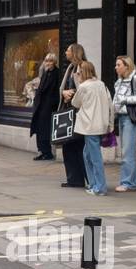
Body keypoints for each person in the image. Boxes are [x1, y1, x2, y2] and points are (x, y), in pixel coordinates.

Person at [70, 60, 113, 196]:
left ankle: (100, 187)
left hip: (89, 126)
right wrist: (110, 124)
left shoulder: (84, 86)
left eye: (79, 72)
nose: (77, 74)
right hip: (100, 125)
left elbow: (75, 103)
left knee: (95, 158)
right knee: (87, 155)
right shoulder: (101, 84)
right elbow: (110, 103)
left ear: (83, 72)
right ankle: (94, 184)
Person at [112, 55, 136, 192]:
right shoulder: (119, 82)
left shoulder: (135, 78)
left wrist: (126, 99)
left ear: (127, 66)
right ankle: (131, 182)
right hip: (122, 117)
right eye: (116, 65)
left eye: (119, 65)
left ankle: (127, 182)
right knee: (127, 151)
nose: (116, 67)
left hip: (131, 118)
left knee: (127, 151)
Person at [59, 43, 88, 186]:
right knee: (68, 146)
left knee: (78, 146)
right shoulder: (70, 68)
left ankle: (84, 178)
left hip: (79, 113)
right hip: (69, 111)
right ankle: (73, 178)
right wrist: (64, 93)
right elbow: (63, 88)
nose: (65, 52)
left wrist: (73, 93)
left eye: (68, 50)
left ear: (75, 52)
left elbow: (87, 88)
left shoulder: (83, 67)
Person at [29, 54, 60, 160]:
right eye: (46, 61)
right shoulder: (46, 73)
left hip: (49, 106)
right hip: (41, 105)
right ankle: (42, 150)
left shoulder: (57, 73)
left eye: (50, 61)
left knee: (45, 129)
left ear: (54, 62)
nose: (48, 63)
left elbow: (56, 91)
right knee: (40, 128)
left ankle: (47, 152)